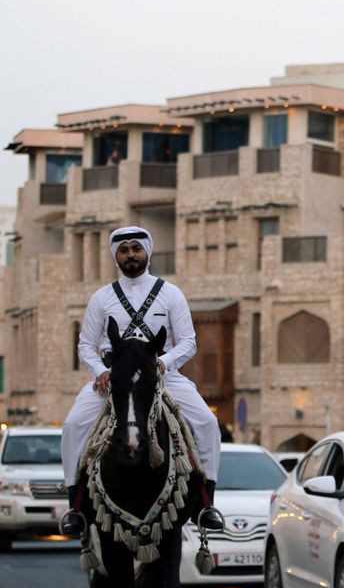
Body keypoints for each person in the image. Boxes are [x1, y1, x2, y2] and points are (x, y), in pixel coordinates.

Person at [58, 226, 223, 535]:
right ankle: (75, 505)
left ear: (147, 252)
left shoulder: (171, 294)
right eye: (124, 250)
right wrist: (100, 372)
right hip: (114, 379)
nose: (130, 254)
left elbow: (188, 342)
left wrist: (163, 363)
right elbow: (85, 346)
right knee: (73, 425)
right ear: (115, 256)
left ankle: (206, 503)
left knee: (206, 422)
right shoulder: (101, 297)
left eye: (136, 248)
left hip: (163, 375)